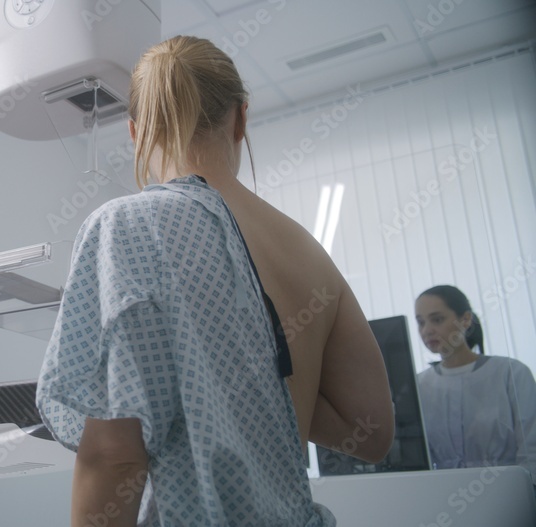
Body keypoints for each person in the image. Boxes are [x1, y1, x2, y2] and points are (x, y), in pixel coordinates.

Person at [35, 35, 394, 526]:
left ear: (135, 133)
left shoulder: (130, 227)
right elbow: (370, 433)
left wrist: (222, 398)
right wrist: (246, 401)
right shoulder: (309, 254)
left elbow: (114, 456)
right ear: (241, 119)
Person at [415, 285, 536, 475]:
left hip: (512, 492)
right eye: (421, 322)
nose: (427, 330)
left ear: (465, 319)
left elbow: (531, 450)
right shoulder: (420, 385)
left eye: (437, 320)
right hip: (445, 494)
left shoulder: (511, 373)